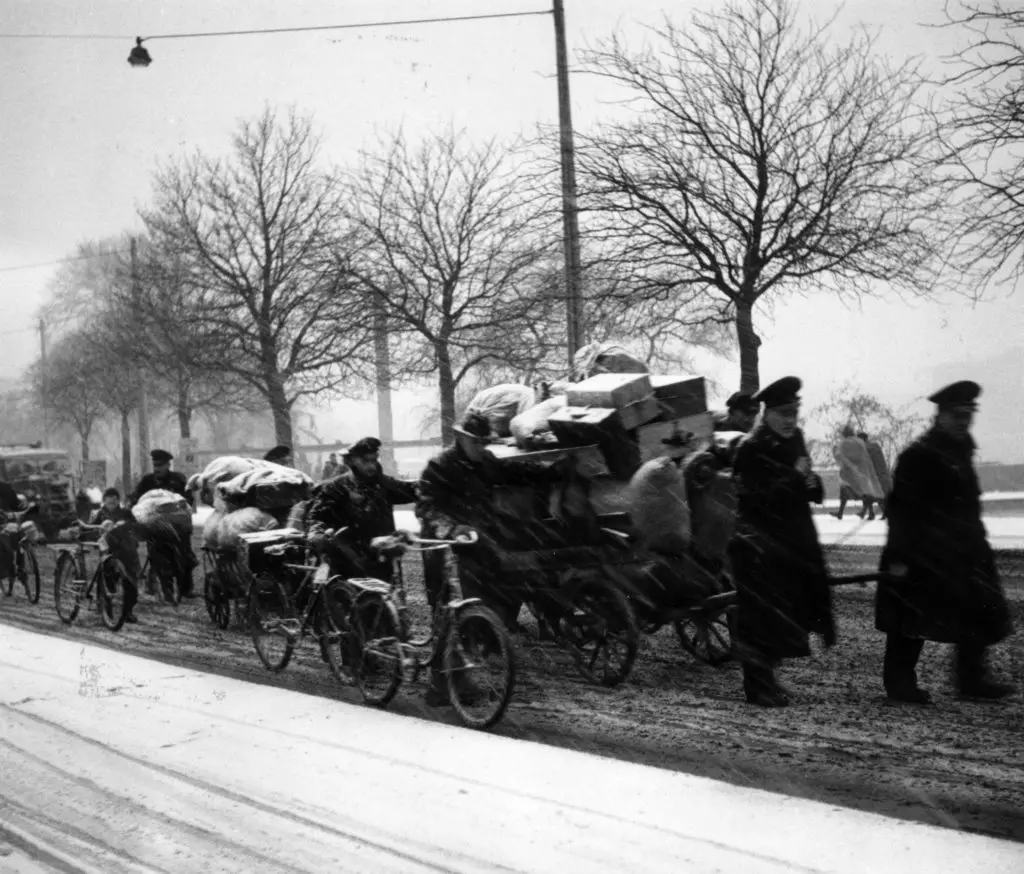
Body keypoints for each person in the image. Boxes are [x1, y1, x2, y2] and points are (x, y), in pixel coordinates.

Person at [416, 412, 570, 706]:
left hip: (477, 541)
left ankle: (475, 654)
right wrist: (451, 529)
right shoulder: (440, 466)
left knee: (495, 594)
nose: (480, 446)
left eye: (483, 441)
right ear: (460, 438)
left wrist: (552, 471)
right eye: (475, 441)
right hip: (443, 545)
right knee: (447, 613)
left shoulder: (485, 461)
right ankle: (441, 686)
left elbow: (516, 472)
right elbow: (426, 505)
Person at [876, 381, 1015, 704]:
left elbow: (968, 502)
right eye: (956, 415)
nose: (963, 420)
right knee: (910, 619)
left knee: (977, 611)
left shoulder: (961, 448)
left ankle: (972, 679)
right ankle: (899, 683)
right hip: (921, 551)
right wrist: (900, 558)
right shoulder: (919, 455)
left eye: (968, 414)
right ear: (940, 416)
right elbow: (901, 512)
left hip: (963, 550)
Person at [728, 376, 835, 707]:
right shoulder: (751, 448)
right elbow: (754, 499)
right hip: (759, 547)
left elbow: (808, 488)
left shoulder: (795, 439)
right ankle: (757, 687)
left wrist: (810, 481)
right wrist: (795, 478)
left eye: (794, 413)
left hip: (792, 542)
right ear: (767, 414)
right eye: (784, 414)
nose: (791, 421)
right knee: (761, 621)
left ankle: (769, 680)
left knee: (787, 617)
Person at [305, 437, 418, 582]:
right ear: (351, 461)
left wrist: (433, 485)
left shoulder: (383, 484)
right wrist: (318, 535)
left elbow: (411, 490)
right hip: (349, 562)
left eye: (374, 460)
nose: (371, 466)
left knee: (388, 599)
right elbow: (317, 518)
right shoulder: (336, 487)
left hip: (382, 557)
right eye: (365, 461)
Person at [129, 449, 196, 598]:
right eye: (155, 466)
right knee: (159, 557)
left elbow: (188, 499)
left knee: (185, 555)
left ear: (168, 465)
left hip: (177, 526)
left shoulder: (178, 480)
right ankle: (166, 590)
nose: (157, 469)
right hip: (155, 527)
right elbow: (136, 498)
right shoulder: (147, 481)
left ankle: (186, 588)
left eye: (160, 465)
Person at [86, 488, 141, 624]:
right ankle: (106, 611)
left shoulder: (125, 513)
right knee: (107, 580)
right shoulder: (99, 514)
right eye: (109, 502)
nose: (112, 505)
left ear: (119, 501)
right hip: (107, 552)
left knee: (130, 582)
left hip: (125, 552)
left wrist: (125, 525)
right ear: (104, 502)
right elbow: (91, 529)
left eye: (115, 502)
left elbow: (135, 527)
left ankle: (128, 611)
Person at [832, 426, 884, 520]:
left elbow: (843, 458)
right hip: (864, 473)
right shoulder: (863, 444)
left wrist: (836, 452)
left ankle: (872, 511)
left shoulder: (847, 444)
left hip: (855, 474)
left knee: (861, 493)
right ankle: (866, 512)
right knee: (861, 491)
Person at [859, 432, 892, 520]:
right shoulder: (875, 446)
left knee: (876, 495)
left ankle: (878, 513)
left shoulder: (865, 448)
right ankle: (872, 513)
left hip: (877, 476)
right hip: (883, 474)